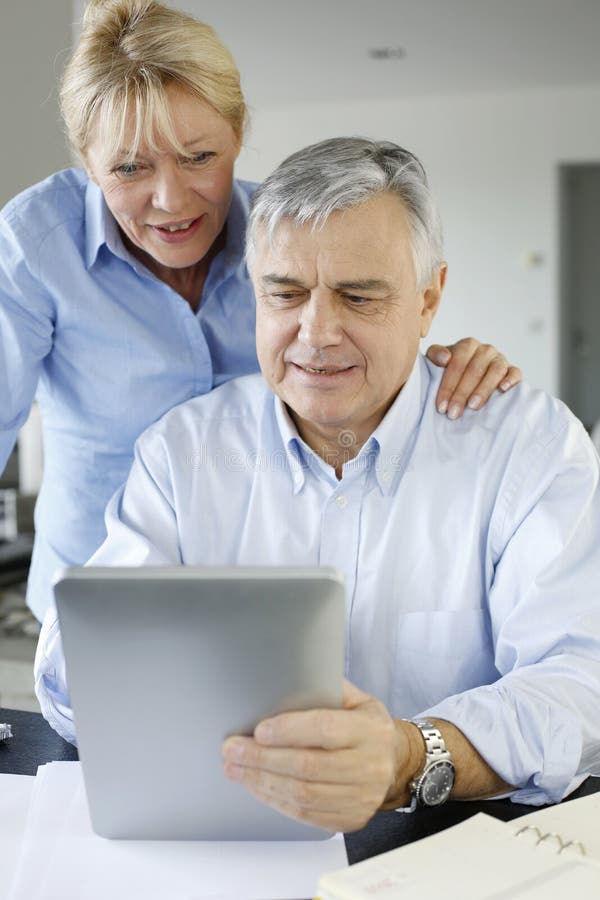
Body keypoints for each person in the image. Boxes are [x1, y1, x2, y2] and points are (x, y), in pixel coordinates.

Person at [36, 137, 600, 833]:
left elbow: (580, 684)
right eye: (286, 293)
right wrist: (101, 662)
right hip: (226, 843)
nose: (317, 333)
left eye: (359, 296)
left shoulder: (529, 446)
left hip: (447, 851)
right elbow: (76, 666)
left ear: (428, 301)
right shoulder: (182, 452)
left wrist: (407, 756)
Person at [0, 0, 519, 623]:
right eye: (130, 167)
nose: (169, 200)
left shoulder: (285, 236)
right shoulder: (34, 245)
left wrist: (446, 363)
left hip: (265, 598)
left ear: (239, 132)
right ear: (87, 162)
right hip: (101, 600)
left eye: (199, 157)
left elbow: (367, 344)